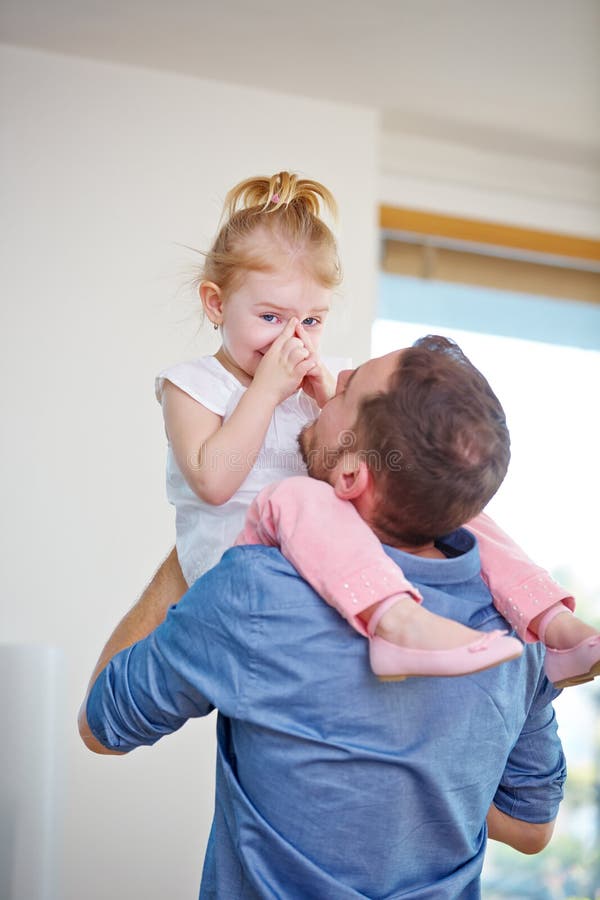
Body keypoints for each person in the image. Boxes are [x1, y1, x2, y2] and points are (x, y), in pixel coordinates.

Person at [79, 338, 566, 898]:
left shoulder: (258, 590)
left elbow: (101, 726)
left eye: (351, 388)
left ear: (353, 476)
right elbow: (531, 827)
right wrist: (420, 774)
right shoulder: (519, 625)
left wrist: (196, 542)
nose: (333, 378)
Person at [156, 170, 600, 685]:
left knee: (449, 505)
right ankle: (397, 628)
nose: (293, 339)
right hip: (245, 572)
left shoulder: (315, 379)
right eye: (272, 318)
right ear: (216, 303)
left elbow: (357, 453)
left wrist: (335, 402)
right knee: (301, 498)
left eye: (313, 321)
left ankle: (549, 621)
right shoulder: (193, 386)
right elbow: (213, 483)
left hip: (339, 561)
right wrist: (265, 393)